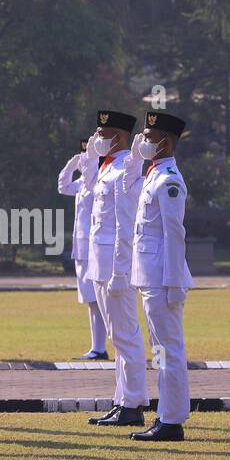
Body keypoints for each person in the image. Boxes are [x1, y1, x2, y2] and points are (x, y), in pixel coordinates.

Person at [131, 111, 194, 442]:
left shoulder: (169, 181)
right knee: (160, 352)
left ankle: (171, 421)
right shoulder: (153, 175)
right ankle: (167, 414)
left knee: (168, 351)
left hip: (162, 280)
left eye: (148, 137)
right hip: (150, 277)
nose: (142, 142)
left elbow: (174, 236)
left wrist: (173, 284)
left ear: (165, 143)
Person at [85, 109, 148, 428]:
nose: (96, 138)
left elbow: (126, 226)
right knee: (117, 336)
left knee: (126, 335)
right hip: (101, 263)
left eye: (101, 133)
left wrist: (120, 273)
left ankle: (134, 403)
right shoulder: (107, 168)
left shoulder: (124, 169)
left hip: (114, 266)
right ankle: (122, 399)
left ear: (119, 137)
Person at [57, 138, 108, 360]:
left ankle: (101, 347)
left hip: (95, 248)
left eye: (88, 157)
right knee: (90, 299)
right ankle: (97, 347)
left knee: (99, 299)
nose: (84, 161)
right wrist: (70, 165)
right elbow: (62, 186)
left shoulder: (99, 184)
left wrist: (88, 165)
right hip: (80, 247)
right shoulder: (82, 184)